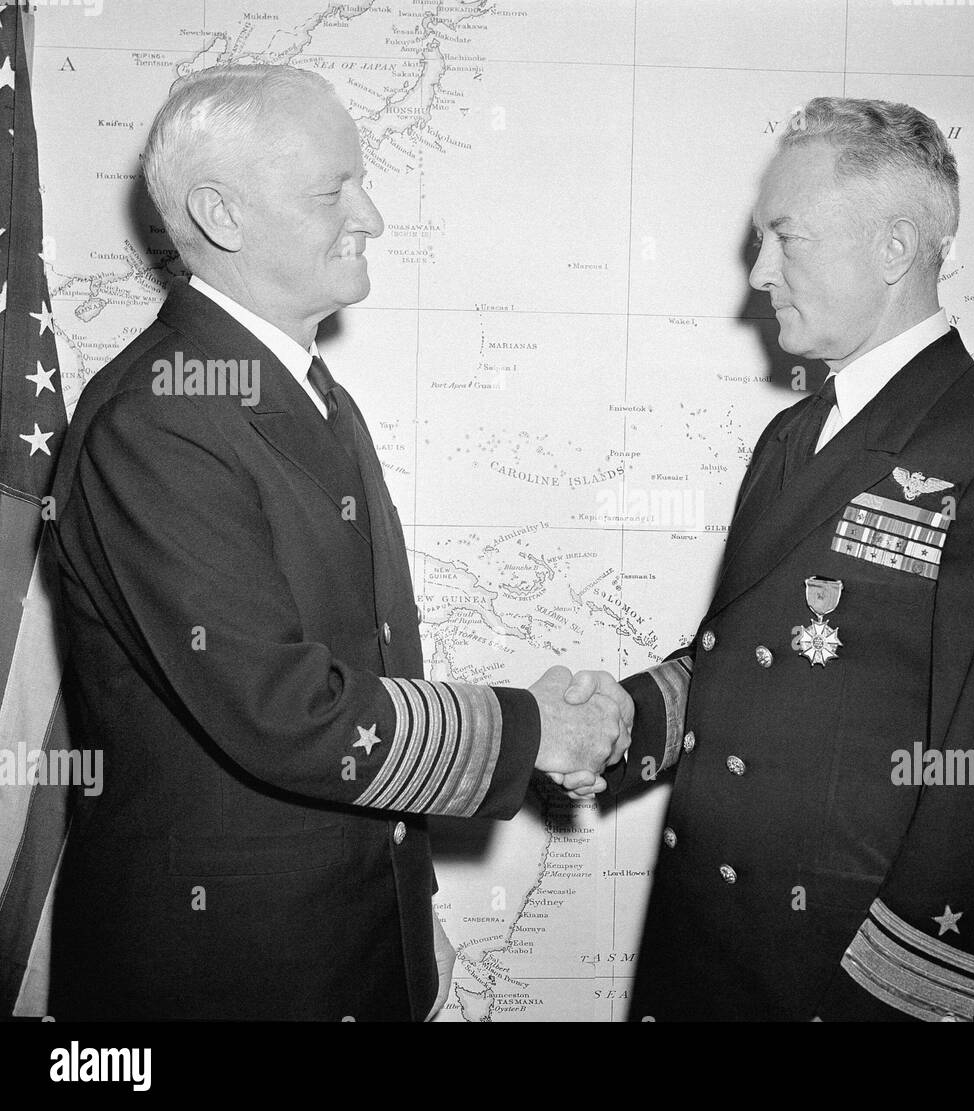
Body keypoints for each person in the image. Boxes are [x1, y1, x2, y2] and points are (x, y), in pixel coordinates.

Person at [47, 64, 631, 1021]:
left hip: (353, 940)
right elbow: (282, 710)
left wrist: (410, 906)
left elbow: (368, 661)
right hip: (230, 971)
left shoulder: (297, 390)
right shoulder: (157, 420)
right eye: (334, 189)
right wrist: (530, 732)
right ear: (220, 215)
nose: (372, 215)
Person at [559, 97, 974, 1022]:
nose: (759, 272)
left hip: (827, 974)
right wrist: (624, 721)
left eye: (785, 238)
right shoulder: (791, 435)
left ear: (893, 249)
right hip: (704, 943)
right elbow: (736, 661)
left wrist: (884, 1003)